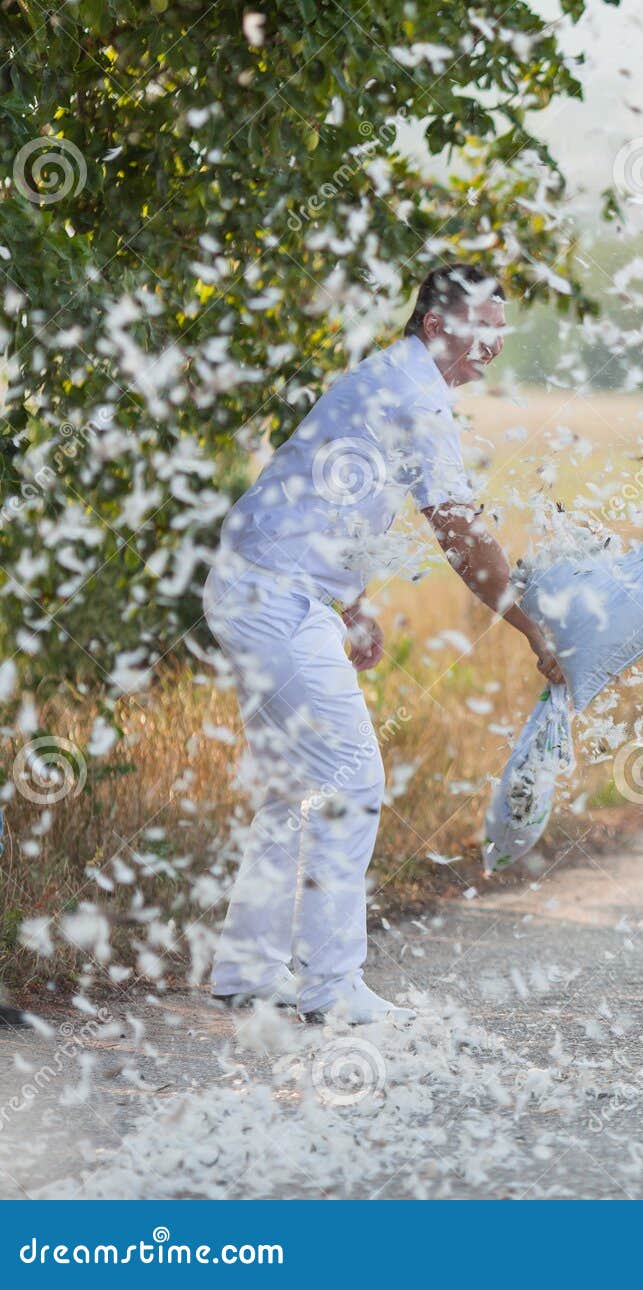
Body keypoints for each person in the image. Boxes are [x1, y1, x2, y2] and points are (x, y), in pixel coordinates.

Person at [204, 264, 564, 1024]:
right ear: (435, 325)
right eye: (483, 325)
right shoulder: (413, 396)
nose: (496, 341)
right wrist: (532, 627)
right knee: (352, 778)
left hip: (267, 589)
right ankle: (332, 990)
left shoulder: (395, 379)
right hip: (274, 598)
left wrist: (355, 603)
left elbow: (339, 495)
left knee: (294, 787)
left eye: (502, 327)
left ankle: (248, 971)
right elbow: (459, 531)